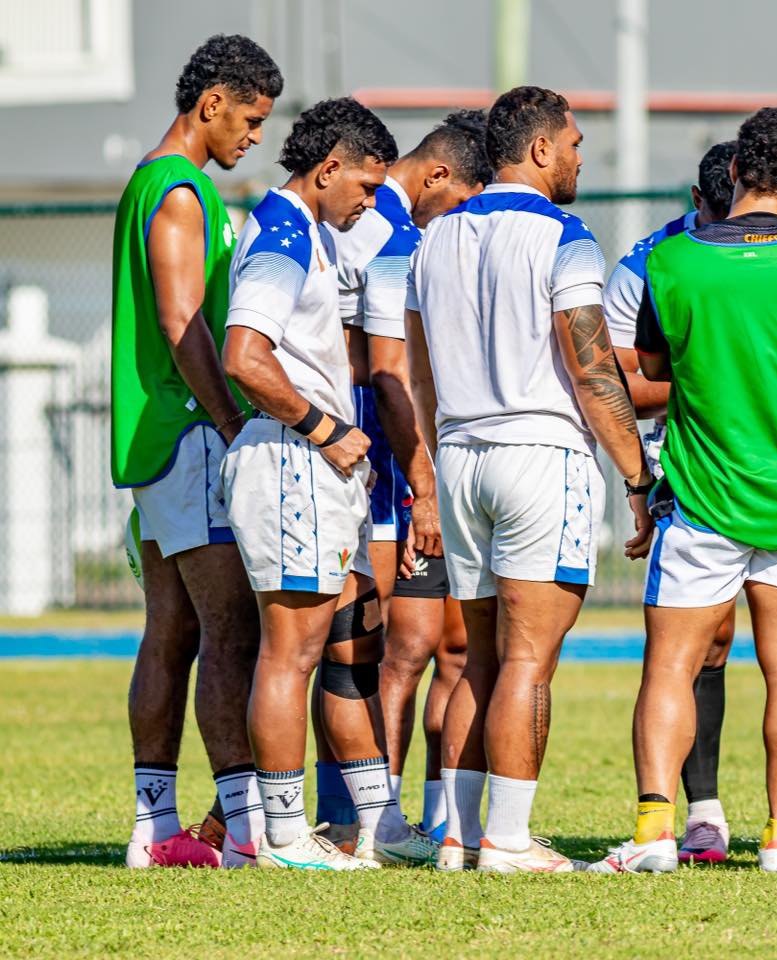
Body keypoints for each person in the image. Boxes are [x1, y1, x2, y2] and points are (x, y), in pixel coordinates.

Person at [589, 107, 777, 875]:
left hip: (699, 497)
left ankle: (656, 835)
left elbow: (654, 373)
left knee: (669, 665)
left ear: (733, 174)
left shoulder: (669, 265)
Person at [407, 85, 653, 874]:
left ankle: (456, 836)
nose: (583, 155)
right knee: (529, 662)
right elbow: (593, 370)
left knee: (477, 659)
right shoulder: (566, 236)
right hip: (539, 454)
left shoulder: (433, 238)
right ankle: (507, 842)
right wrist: (638, 477)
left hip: (460, 453)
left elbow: (421, 376)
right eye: (575, 142)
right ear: (540, 149)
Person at [221, 97, 429, 870]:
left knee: (345, 641)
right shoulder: (282, 234)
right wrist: (325, 428)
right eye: (367, 187)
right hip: (292, 460)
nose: (371, 201)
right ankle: (280, 835)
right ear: (329, 167)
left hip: (314, 468)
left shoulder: (308, 230)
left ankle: (380, 822)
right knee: (292, 652)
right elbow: (245, 354)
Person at [110, 34, 282, 869]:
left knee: (172, 629)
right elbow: (184, 325)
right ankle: (246, 830)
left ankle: (156, 828)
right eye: (248, 119)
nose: (253, 137)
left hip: (157, 444)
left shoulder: (153, 183)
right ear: (210, 103)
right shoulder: (178, 192)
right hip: (187, 436)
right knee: (231, 628)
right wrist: (230, 421)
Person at [319, 110, 492, 845]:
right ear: (439, 176)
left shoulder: (397, 223)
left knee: (436, 641)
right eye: (463, 202)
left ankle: (421, 816)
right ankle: (363, 815)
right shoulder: (378, 222)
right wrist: (420, 481)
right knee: (369, 643)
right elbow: (380, 370)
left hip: (400, 456)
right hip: (369, 459)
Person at [602, 140, 744, 863]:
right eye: (723, 216)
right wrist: (717, 379)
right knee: (695, 638)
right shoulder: (648, 266)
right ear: (701, 203)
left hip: (768, 463)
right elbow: (615, 378)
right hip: (681, 461)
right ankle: (699, 813)